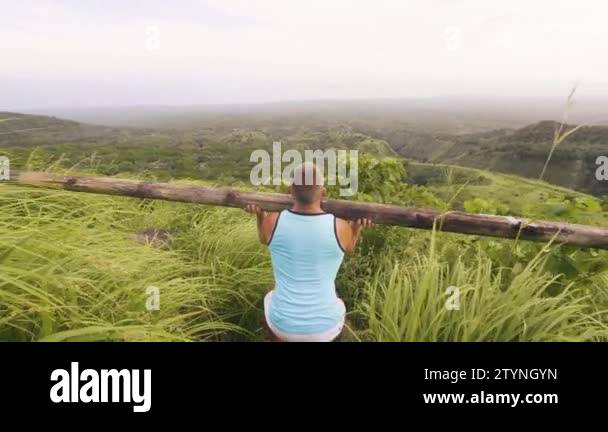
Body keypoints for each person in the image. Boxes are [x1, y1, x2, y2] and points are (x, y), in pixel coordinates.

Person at [244, 162, 373, 342]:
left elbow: (263, 238)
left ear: (290, 191)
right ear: (323, 192)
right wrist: (356, 227)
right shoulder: (340, 227)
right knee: (338, 303)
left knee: (269, 297)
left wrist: (260, 215)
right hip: (325, 329)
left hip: (283, 326)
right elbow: (350, 247)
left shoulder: (272, 221)